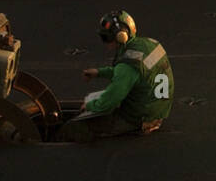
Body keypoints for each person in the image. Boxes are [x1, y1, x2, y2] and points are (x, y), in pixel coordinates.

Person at [58, 10, 173, 142]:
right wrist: (99, 72)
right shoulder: (148, 44)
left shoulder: (128, 66)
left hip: (140, 118)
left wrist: (90, 106)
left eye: (106, 38)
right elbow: (134, 74)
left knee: (74, 126)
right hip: (156, 109)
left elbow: (111, 99)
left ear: (121, 36)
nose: (105, 43)